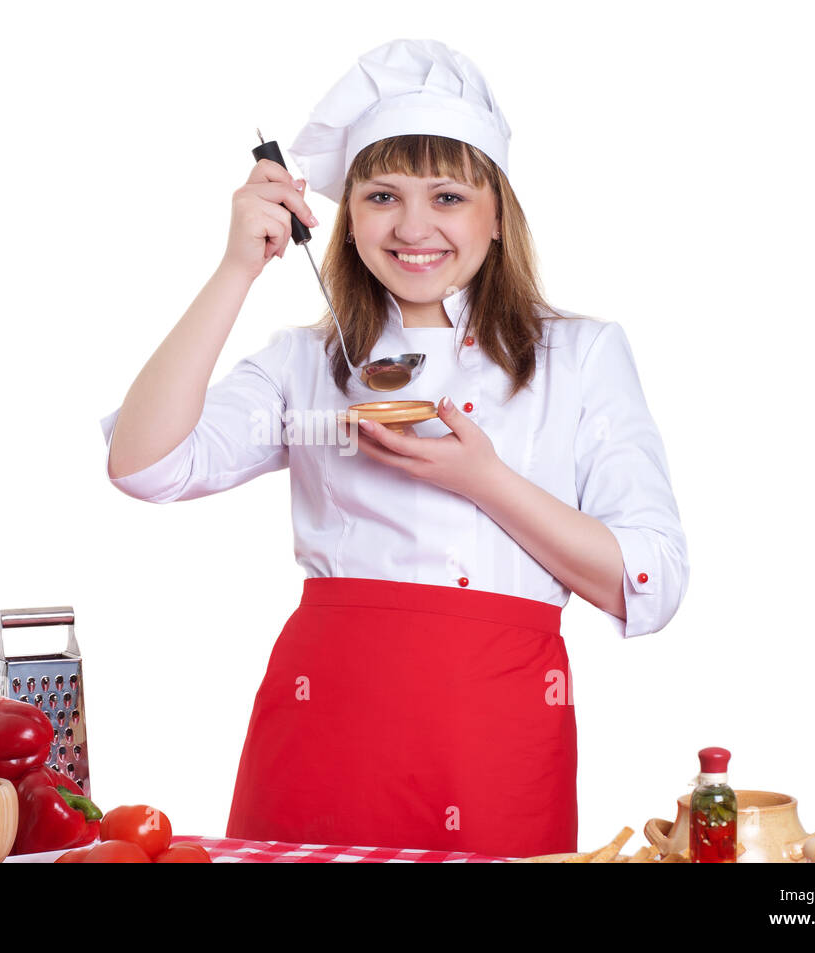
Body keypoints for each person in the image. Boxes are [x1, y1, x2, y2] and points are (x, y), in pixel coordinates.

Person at [99, 38, 688, 858]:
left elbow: (649, 579)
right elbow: (144, 462)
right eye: (382, 195)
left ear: (496, 214)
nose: (414, 227)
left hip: (495, 740)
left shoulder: (579, 356)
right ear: (346, 216)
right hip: (322, 729)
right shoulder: (308, 360)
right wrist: (237, 267)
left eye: (448, 195)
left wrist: (484, 480)